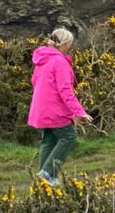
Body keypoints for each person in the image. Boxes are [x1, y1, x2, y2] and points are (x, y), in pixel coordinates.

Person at [27, 26, 91, 185]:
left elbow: (34, 82)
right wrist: (79, 112)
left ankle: (42, 182)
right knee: (68, 137)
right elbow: (65, 91)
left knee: (48, 141)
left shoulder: (42, 59)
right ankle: (48, 174)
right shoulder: (59, 61)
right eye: (69, 43)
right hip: (55, 110)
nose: (70, 47)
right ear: (64, 44)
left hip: (40, 109)